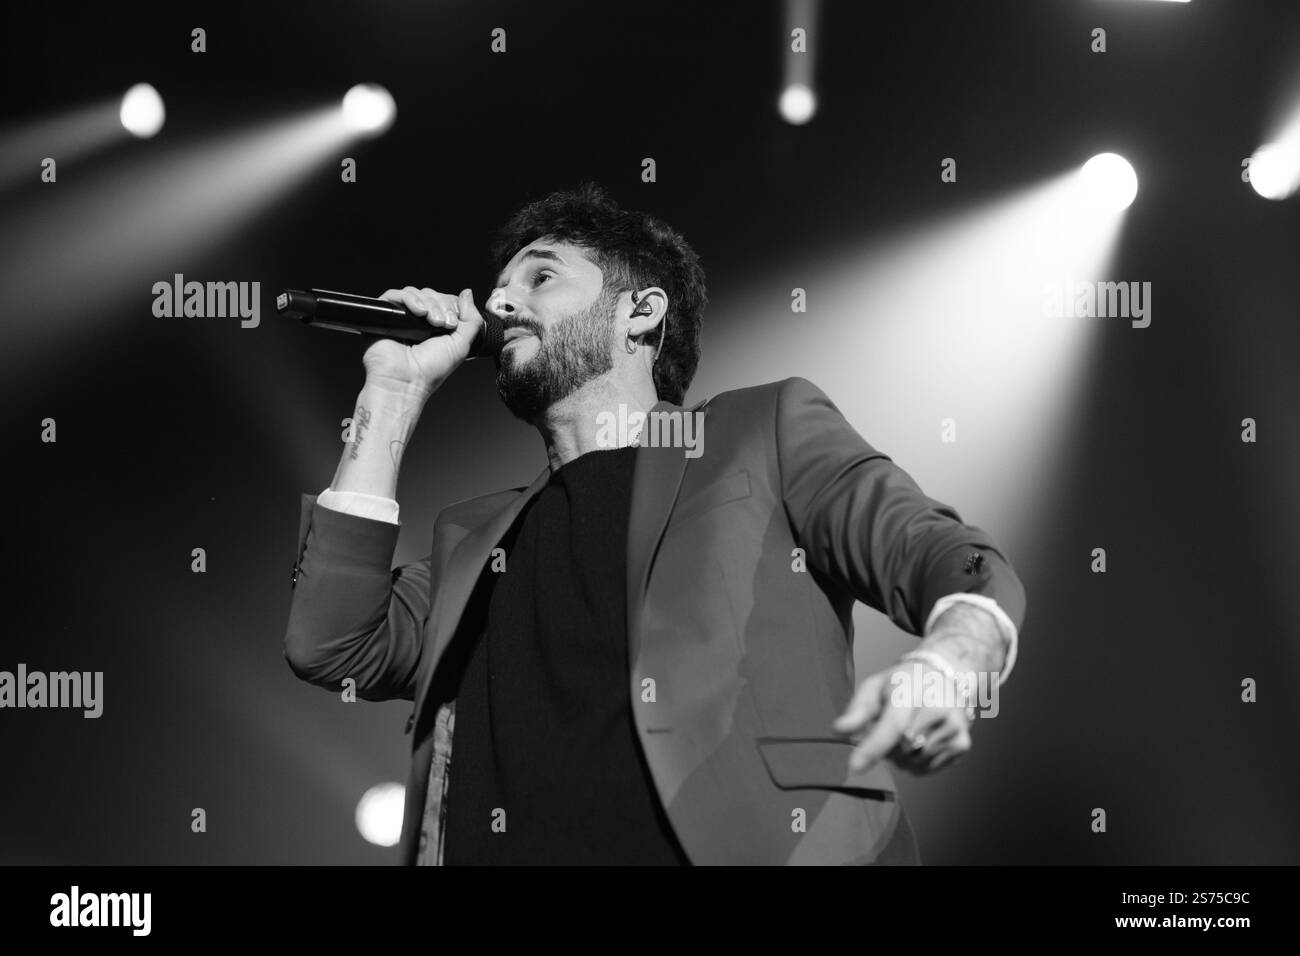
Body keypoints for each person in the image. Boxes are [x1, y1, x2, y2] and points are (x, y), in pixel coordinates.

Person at [283, 183, 1026, 865]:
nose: (498, 305)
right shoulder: (471, 540)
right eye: (497, 289)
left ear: (642, 312)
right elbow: (332, 647)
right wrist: (393, 391)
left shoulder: (758, 431)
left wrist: (950, 666)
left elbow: (944, 555)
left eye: (539, 277)